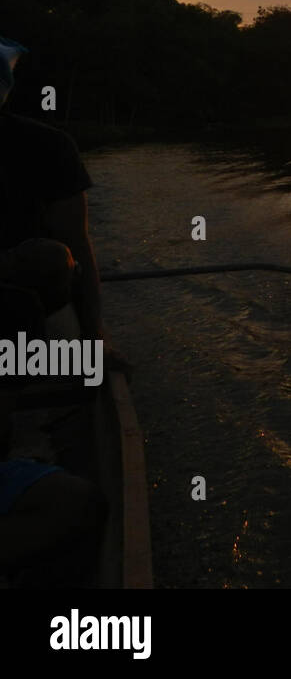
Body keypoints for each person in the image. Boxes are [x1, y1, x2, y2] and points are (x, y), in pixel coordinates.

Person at [0, 35, 108, 582]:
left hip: (22, 295)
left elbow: (77, 252)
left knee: (37, 276)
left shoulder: (45, 145)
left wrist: (96, 345)